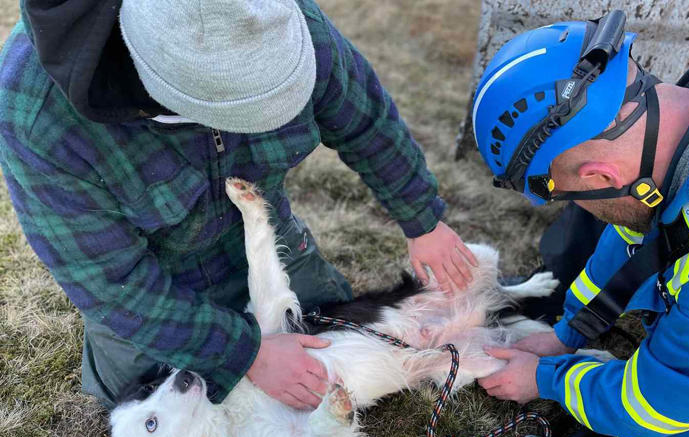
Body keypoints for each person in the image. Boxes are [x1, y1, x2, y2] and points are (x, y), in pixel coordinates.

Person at [0, 0, 478, 410]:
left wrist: (423, 221)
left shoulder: (279, 19)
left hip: (266, 241)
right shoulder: (38, 110)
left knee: (343, 342)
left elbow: (365, 120)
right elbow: (111, 284)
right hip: (152, 282)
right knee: (155, 405)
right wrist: (247, 355)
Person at [471, 11, 689, 437]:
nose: (577, 208)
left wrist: (544, 381)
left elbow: (653, 405)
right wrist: (569, 332)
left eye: (569, 195)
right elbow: (641, 233)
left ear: (596, 172)